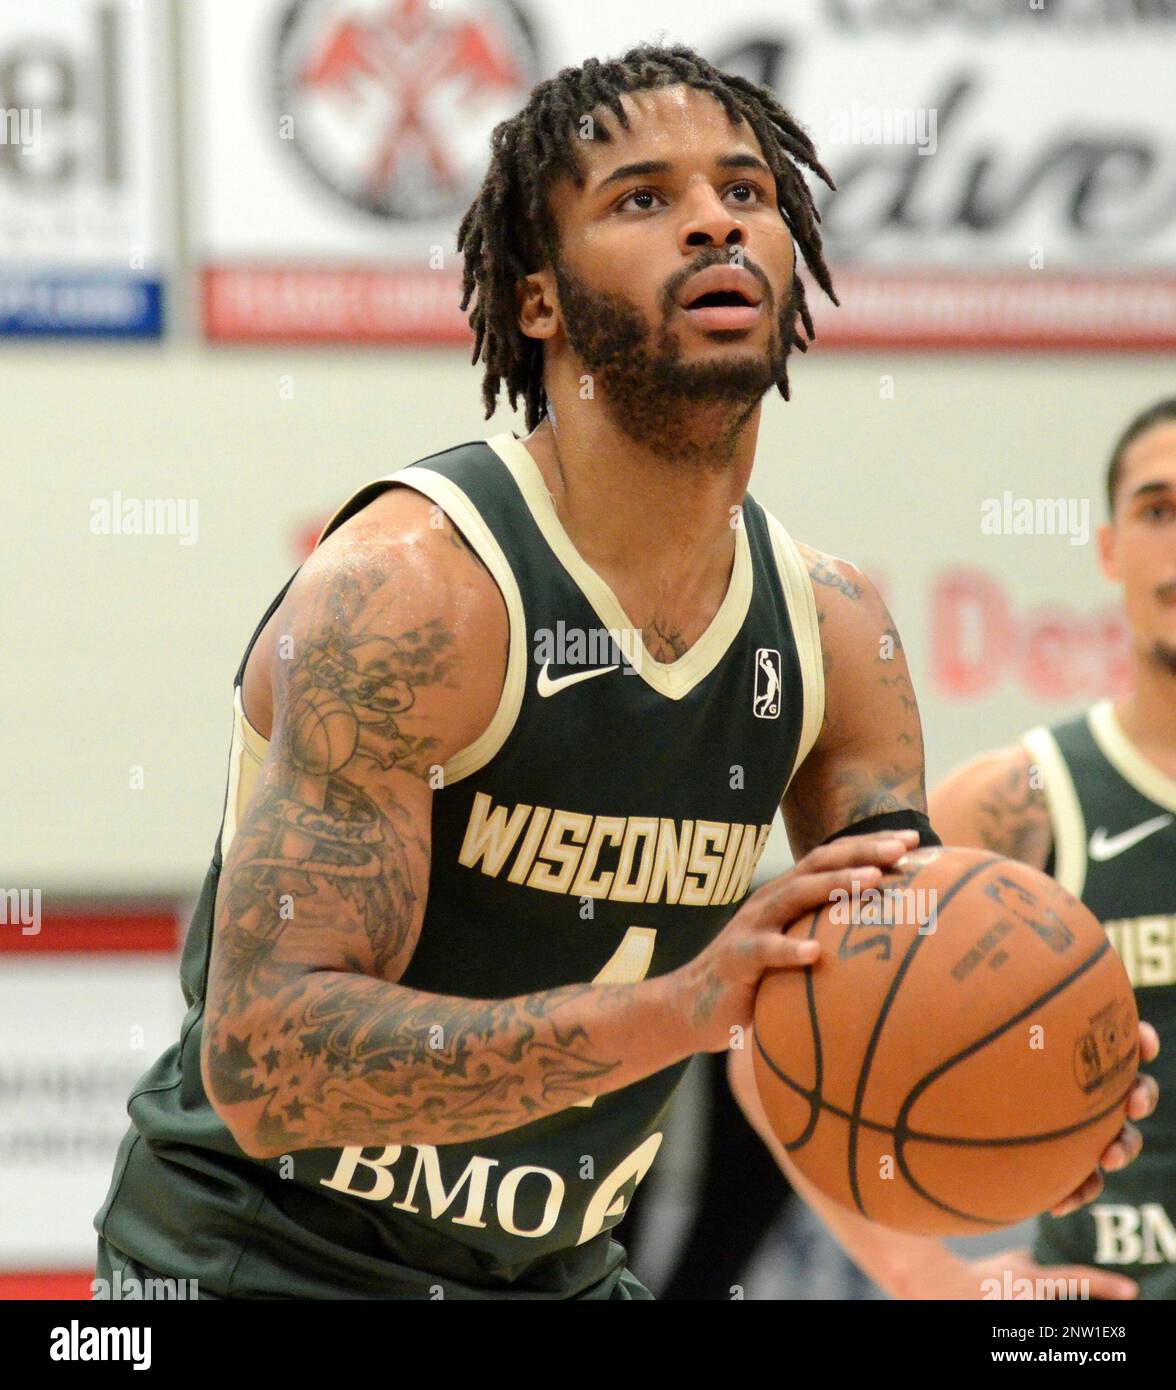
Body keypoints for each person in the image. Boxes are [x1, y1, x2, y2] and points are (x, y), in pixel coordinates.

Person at [92, 44, 1156, 1300]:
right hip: (262, 1259)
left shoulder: (834, 635)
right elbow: (269, 1065)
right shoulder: (415, 592)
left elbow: (866, 993)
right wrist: (689, 1006)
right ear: (537, 299)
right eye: (644, 198)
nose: (715, 218)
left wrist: (1023, 1094)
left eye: (747, 193)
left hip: (551, 1272)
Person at [731, 399, 1174, 1299]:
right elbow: (765, 1041)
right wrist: (925, 1275)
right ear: (1108, 549)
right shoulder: (1026, 801)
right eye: (1158, 510)